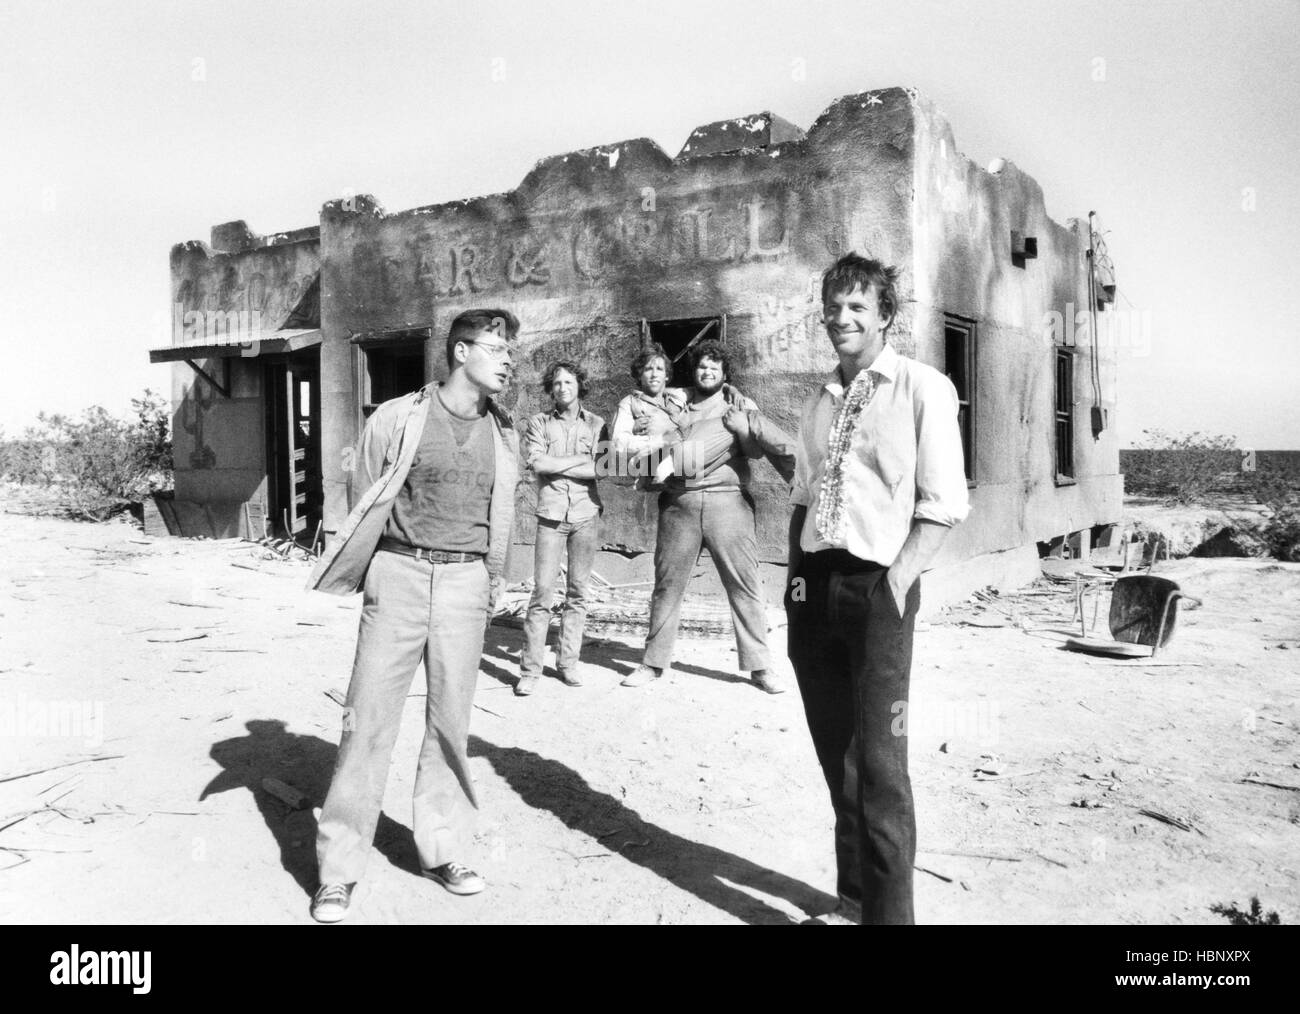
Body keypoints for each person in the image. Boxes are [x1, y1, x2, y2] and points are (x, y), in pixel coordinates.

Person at [305, 308, 521, 923]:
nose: (508, 361)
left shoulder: (505, 431)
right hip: (397, 575)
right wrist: (376, 569)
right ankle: (338, 871)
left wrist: (489, 579)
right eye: (497, 349)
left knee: (450, 724)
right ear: (459, 352)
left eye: (511, 352)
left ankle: (443, 850)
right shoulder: (400, 417)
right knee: (366, 721)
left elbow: (499, 513)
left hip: (466, 581)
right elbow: (368, 492)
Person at [787, 254, 969, 925]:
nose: (842, 319)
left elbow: (944, 502)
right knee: (839, 760)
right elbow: (804, 498)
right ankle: (851, 904)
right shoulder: (819, 401)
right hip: (817, 589)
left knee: (883, 772)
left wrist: (895, 583)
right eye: (833, 307)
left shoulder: (923, 389)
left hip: (879, 589)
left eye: (857, 306)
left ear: (886, 315)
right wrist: (796, 587)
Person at [621, 340, 785, 695]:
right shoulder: (676, 407)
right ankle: (653, 661)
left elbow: (755, 452)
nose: (707, 371)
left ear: (725, 373)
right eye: (701, 366)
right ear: (693, 372)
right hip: (680, 503)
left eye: (714, 366)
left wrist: (741, 429)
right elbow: (647, 448)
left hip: (728, 503)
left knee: (744, 585)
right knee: (667, 585)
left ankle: (760, 666)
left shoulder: (738, 405)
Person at [516, 361, 607, 697]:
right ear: (550, 388)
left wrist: (561, 465)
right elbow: (538, 463)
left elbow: (602, 467)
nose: (562, 388)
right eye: (556, 383)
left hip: (586, 515)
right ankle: (530, 669)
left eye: (569, 382)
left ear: (580, 385)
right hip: (551, 517)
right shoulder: (539, 423)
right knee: (542, 593)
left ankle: (568, 663)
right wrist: (578, 463)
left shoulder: (598, 424)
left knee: (578, 593)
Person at [610, 342, 687, 488]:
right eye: (648, 369)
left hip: (682, 478)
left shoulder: (676, 399)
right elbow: (618, 443)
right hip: (650, 481)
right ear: (639, 375)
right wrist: (661, 440)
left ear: (666, 375)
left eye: (659, 369)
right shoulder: (630, 403)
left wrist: (731, 390)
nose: (654, 374)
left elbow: (701, 390)